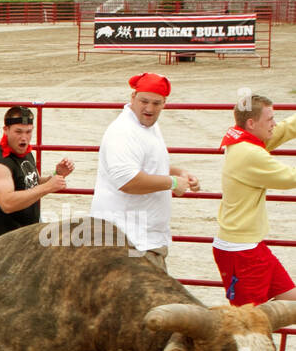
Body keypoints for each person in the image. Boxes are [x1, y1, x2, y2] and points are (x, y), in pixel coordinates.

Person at [89, 72, 200, 271]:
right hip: (128, 244)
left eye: (156, 103)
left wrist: (179, 173)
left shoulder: (146, 126)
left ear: (165, 103)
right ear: (133, 97)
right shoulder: (124, 132)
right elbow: (128, 181)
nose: (149, 108)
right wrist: (172, 183)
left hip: (140, 241)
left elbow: (148, 166)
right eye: (144, 101)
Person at [212, 92, 296, 306]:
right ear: (251, 123)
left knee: (290, 299)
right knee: (248, 323)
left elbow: (280, 132)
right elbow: (289, 178)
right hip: (241, 252)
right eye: (269, 119)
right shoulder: (249, 153)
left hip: (249, 246)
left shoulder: (241, 140)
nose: (273, 124)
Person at [0, 106, 74, 238]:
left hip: (30, 235)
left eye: (28, 132)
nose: (24, 138)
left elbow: (31, 183)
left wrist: (57, 175)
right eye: (18, 132)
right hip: (8, 241)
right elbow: (7, 203)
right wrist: (47, 187)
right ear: (6, 130)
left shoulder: (26, 153)